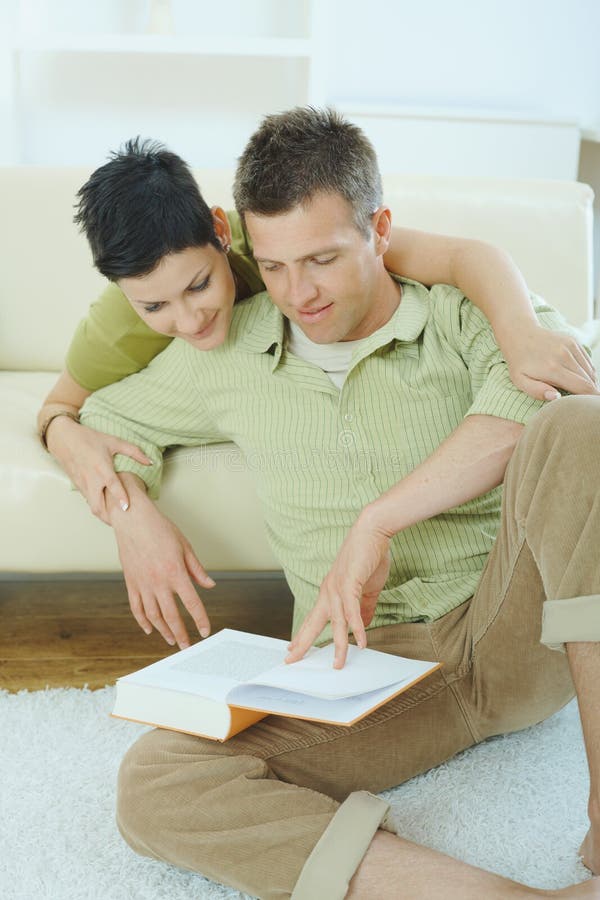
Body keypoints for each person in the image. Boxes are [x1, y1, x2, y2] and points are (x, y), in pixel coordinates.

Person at [68, 108, 599, 899]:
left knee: (582, 425)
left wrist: (377, 519)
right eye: (275, 266)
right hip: (361, 669)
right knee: (156, 780)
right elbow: (96, 422)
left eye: (321, 258)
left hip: (508, 630)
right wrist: (129, 511)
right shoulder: (223, 352)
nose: (297, 291)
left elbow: (552, 410)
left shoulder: (461, 314)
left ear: (380, 229)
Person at [38, 140, 597, 529]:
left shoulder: (280, 238)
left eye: (200, 286)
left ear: (220, 231)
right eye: (155, 306)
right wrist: (95, 472)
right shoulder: (117, 326)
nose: (188, 321)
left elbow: (462, 256)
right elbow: (57, 408)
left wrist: (521, 332)